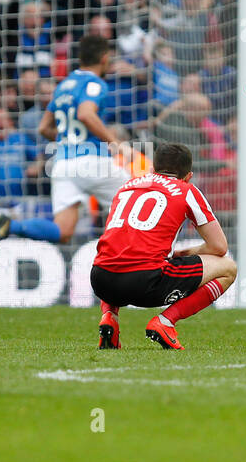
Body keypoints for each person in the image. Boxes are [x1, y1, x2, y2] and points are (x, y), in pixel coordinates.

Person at [0, 35, 127, 249]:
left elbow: (43, 128)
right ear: (105, 58)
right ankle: (153, 260)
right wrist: (116, 142)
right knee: (138, 202)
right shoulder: (95, 83)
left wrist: (66, 140)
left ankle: (12, 226)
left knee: (63, 231)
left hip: (63, 166)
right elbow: (86, 114)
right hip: (92, 161)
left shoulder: (63, 86)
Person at [90, 143, 236, 351]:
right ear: (188, 176)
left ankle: (109, 317)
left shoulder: (128, 185)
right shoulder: (186, 190)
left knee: (115, 253)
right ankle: (166, 322)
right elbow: (219, 247)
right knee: (228, 268)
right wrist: (187, 252)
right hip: (144, 281)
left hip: (100, 281)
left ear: (152, 169)